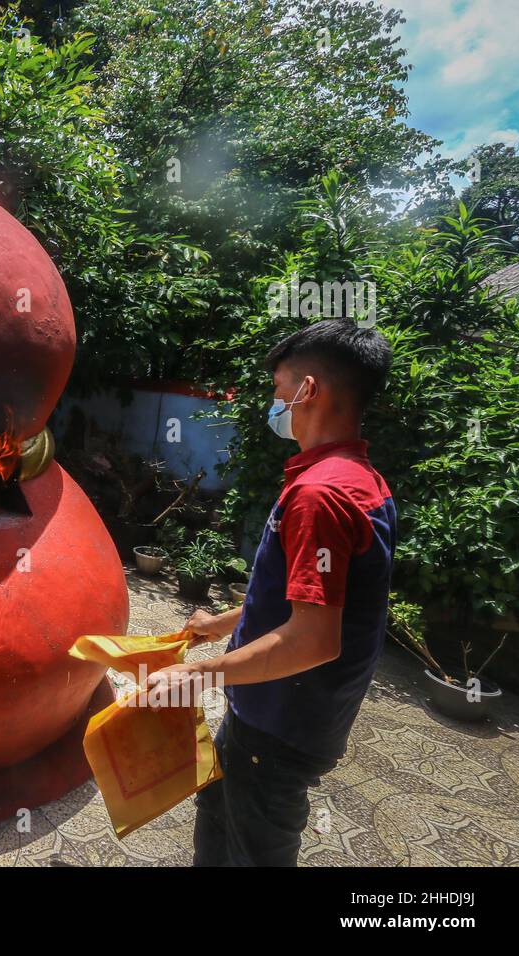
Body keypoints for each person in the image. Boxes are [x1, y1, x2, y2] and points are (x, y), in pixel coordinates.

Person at [147, 319, 395, 866]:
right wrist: (226, 623)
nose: (274, 403)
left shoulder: (320, 494)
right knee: (218, 811)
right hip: (280, 708)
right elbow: (313, 598)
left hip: (283, 719)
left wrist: (195, 673)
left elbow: (312, 640)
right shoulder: (357, 477)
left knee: (257, 847)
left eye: (279, 390)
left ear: (309, 390)